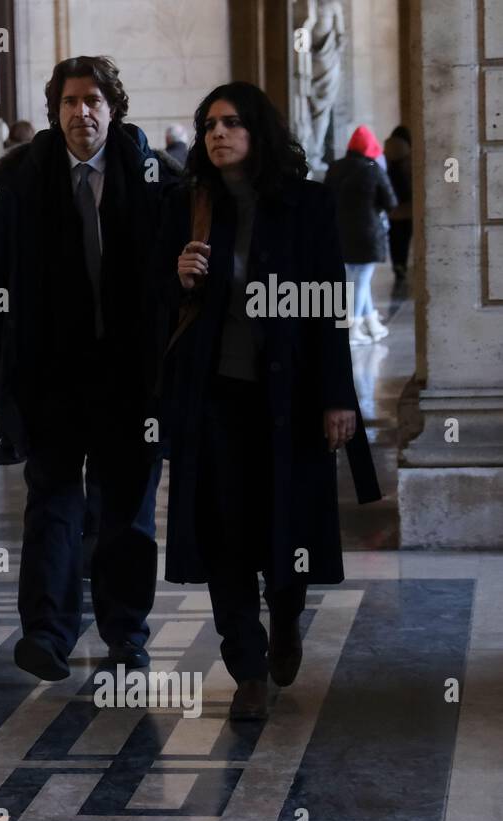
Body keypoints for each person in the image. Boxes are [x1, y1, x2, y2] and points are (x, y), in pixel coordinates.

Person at [157, 81, 380, 720]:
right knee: (225, 533)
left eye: (230, 123)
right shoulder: (188, 206)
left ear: (257, 131)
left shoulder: (306, 206)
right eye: (208, 126)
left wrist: (339, 398)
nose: (217, 135)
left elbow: (329, 310)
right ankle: (247, 667)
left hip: (291, 398)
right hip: (214, 398)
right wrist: (177, 279)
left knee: (286, 523)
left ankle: (285, 620)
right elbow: (155, 302)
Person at [0, 55, 174, 681]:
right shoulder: (26, 183)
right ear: (56, 112)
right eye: (69, 102)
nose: (81, 112)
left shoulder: (156, 179)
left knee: (125, 511)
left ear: (113, 109)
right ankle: (47, 634)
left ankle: (126, 635)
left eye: (93, 101)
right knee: (52, 504)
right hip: (49, 376)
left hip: (131, 378)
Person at [324, 125, 397, 343]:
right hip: (368, 235)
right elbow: (391, 202)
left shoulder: (335, 168)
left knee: (356, 279)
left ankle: (372, 324)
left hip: (340, 233)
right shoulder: (372, 168)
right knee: (362, 280)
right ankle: (352, 327)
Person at [383, 125, 413, 289]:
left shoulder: (387, 148)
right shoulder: (408, 152)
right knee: (405, 236)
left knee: (394, 237)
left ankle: (397, 264)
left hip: (392, 205)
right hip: (407, 205)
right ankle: (403, 263)